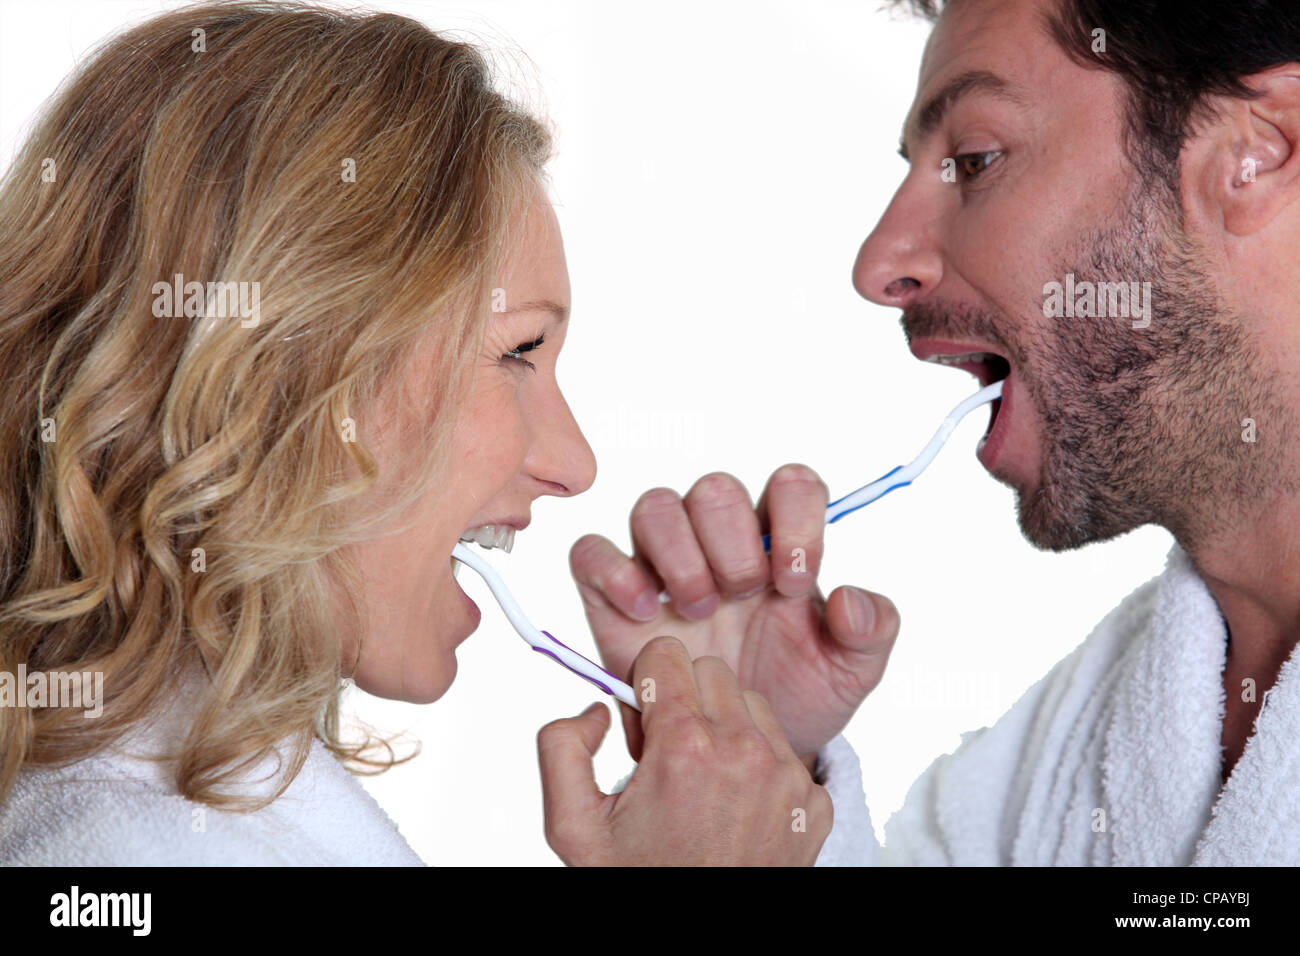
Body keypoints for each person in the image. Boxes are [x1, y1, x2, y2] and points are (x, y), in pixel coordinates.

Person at [0, 1, 833, 866]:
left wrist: (759, 772)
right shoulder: (125, 856)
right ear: (282, 369)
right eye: (518, 353)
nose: (574, 465)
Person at [563, 0, 1300, 865]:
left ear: (1255, 155)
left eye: (975, 160)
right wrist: (764, 770)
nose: (879, 264)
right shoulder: (1065, 761)